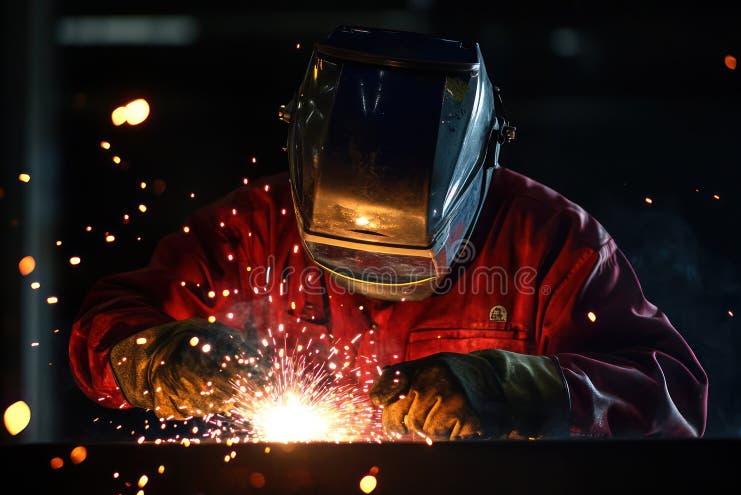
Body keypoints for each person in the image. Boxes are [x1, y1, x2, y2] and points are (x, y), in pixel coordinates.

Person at [68, 26, 708, 439]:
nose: (374, 284)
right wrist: (156, 357)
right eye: (343, 255)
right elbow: (106, 324)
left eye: (404, 262)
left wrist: (515, 385)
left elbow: (672, 395)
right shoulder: (257, 229)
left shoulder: (549, 245)